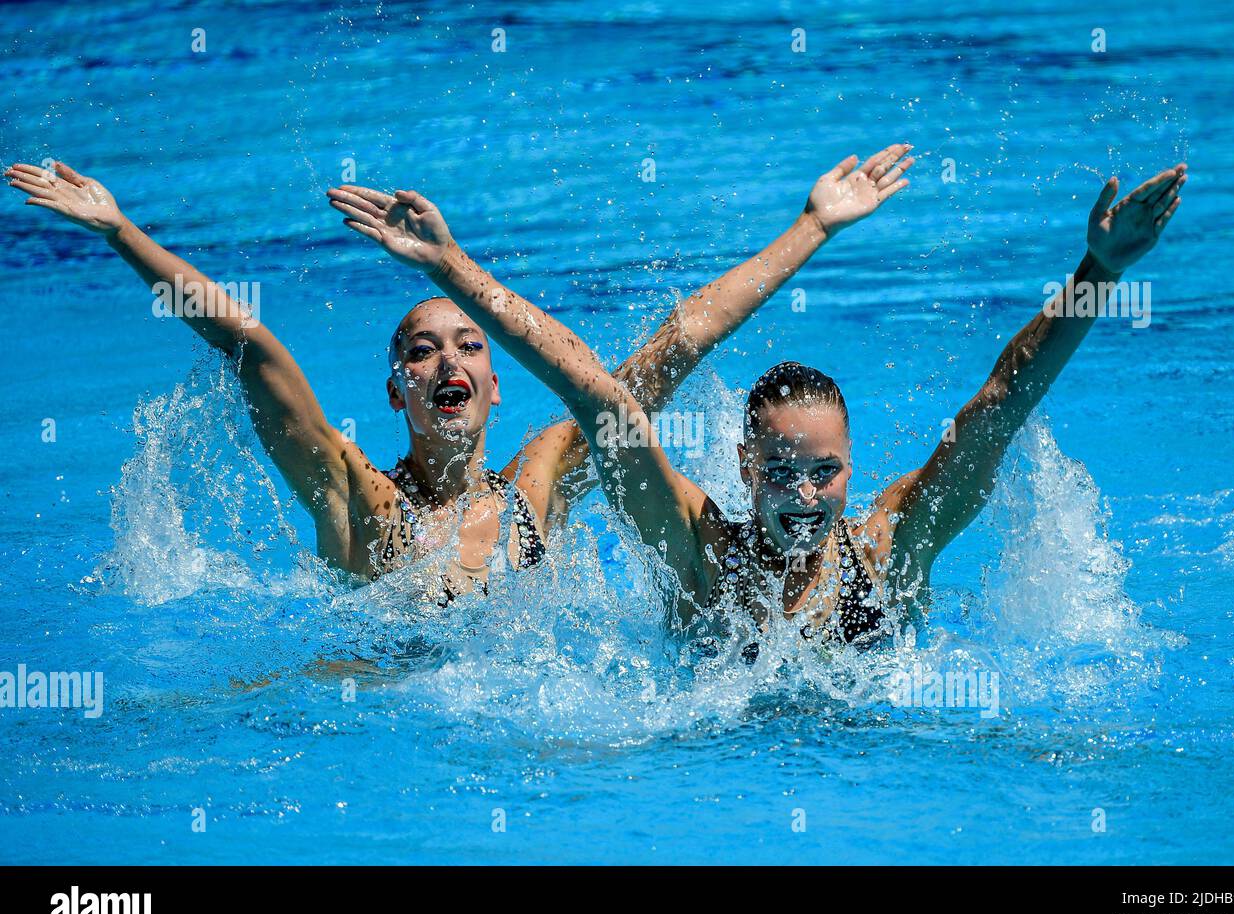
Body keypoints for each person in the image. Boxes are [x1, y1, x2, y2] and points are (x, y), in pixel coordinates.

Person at [327, 153, 1185, 656]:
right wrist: (451, 271)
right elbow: (597, 394)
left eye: (825, 472)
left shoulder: (887, 553)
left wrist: (1097, 273)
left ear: (854, 468)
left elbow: (1000, 404)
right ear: (745, 468)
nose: (804, 495)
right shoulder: (700, 554)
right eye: (781, 471)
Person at [6, 144, 914, 605]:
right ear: (396, 390)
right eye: (422, 349)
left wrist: (814, 228)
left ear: (496, 382)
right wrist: (122, 234)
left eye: (470, 345)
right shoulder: (359, 498)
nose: (450, 358)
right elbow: (251, 347)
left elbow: (677, 345)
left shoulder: (540, 486)